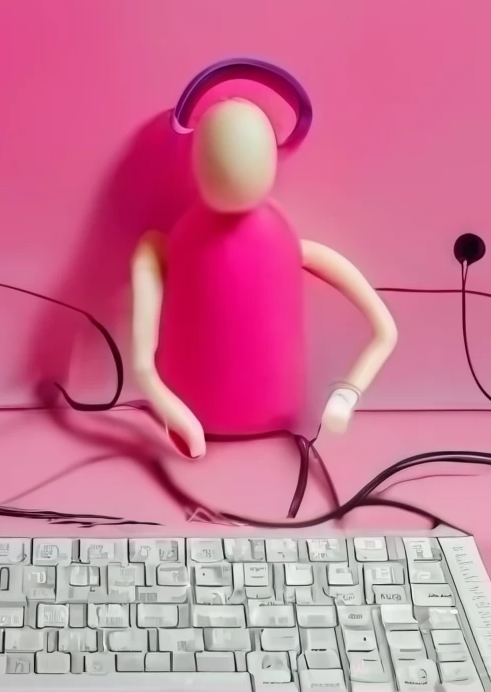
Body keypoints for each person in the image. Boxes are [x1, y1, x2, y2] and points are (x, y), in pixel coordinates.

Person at [131, 92, 398, 459]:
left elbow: (385, 330)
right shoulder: (169, 246)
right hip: (196, 409)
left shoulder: (281, 242)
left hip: (273, 413)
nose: (234, 167)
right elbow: (141, 363)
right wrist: (165, 402)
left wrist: (347, 394)